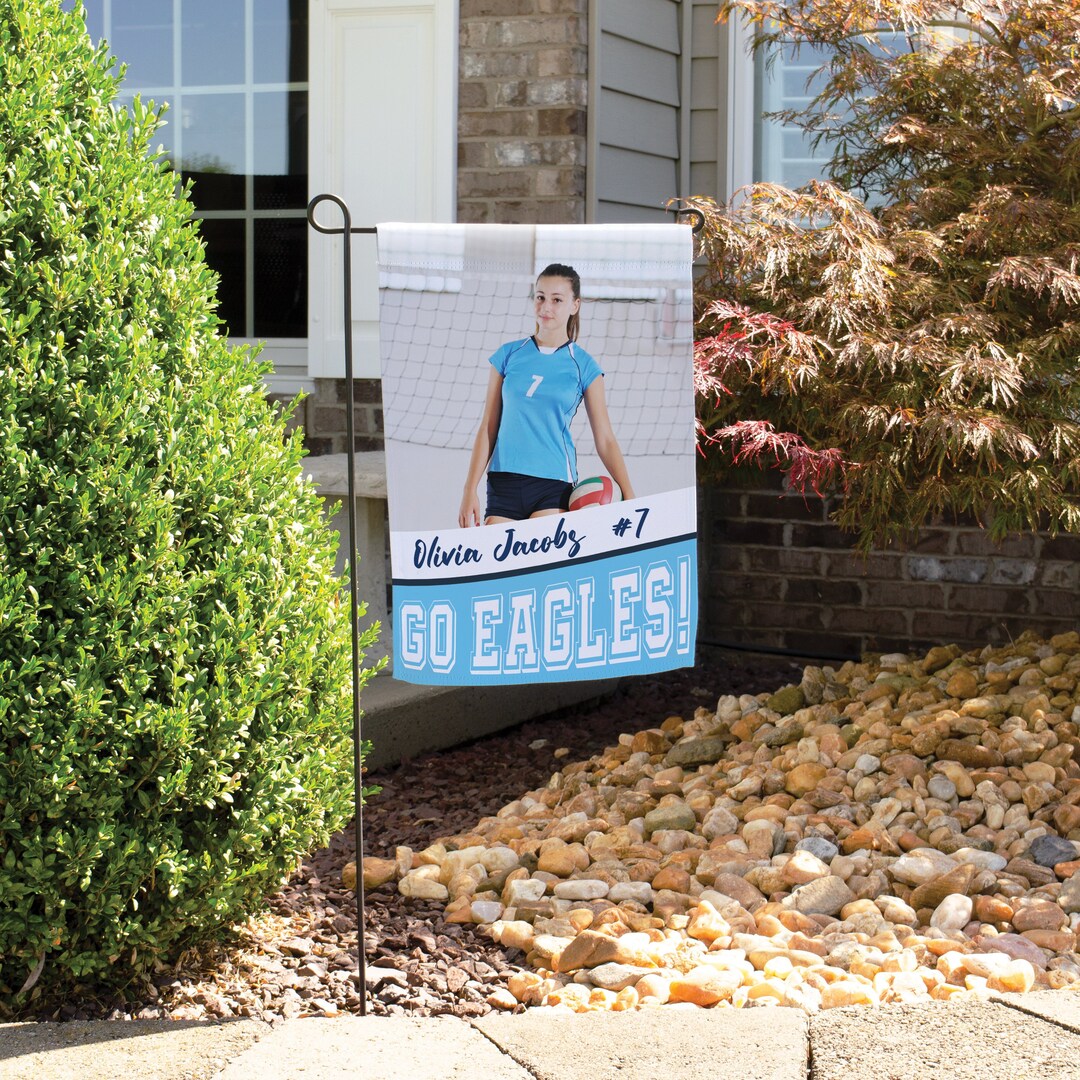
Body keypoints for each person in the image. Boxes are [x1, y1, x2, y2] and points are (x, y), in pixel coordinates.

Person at [458, 263, 634, 527]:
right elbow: (488, 427)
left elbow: (605, 439)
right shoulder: (508, 355)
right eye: (540, 297)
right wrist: (468, 489)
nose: (546, 307)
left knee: (544, 568)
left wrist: (629, 494)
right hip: (504, 480)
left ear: (575, 305)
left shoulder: (584, 365)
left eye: (557, 300)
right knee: (504, 568)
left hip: (553, 485)